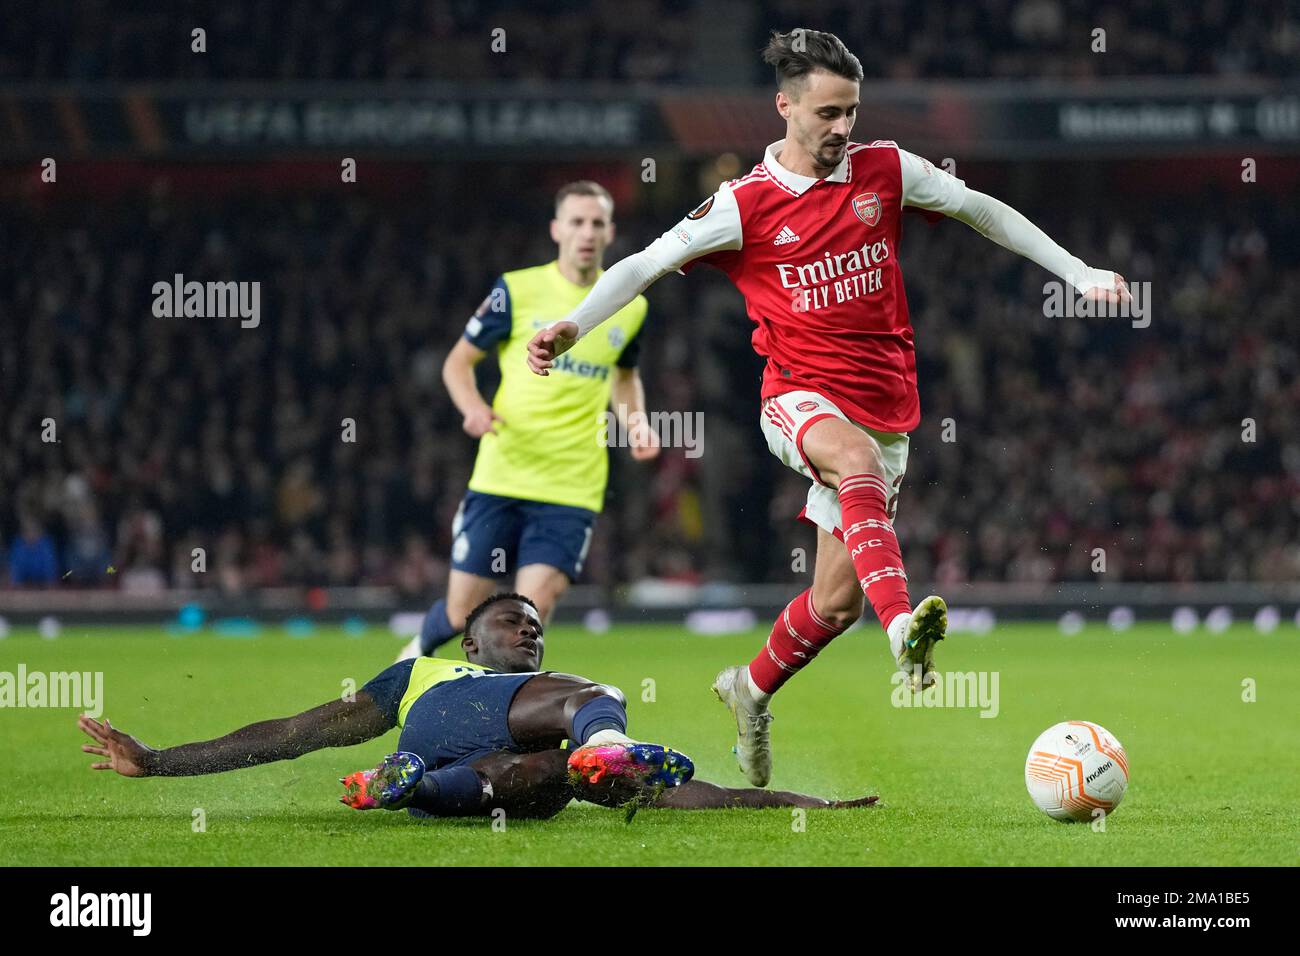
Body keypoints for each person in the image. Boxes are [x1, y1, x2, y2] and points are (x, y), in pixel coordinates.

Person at [525, 29, 1131, 787]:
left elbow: (984, 211)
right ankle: (906, 628)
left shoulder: (886, 169)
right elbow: (646, 262)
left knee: (833, 603)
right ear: (785, 107)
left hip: (888, 409)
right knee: (855, 464)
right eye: (826, 113)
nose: (842, 127)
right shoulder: (743, 206)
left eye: (851, 110)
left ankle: (748, 690)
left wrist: (1077, 273)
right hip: (797, 400)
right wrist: (574, 324)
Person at [78, 594, 877, 818]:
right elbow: (291, 733)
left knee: (537, 780)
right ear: (470, 644)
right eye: (510, 622)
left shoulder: (454, 684)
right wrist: (157, 760)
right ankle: (604, 757)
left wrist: (804, 803)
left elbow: (685, 793)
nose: (528, 631)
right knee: (596, 715)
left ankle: (404, 785)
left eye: (534, 626)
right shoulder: (423, 673)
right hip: (460, 718)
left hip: (452, 765)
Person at [397, 181, 660, 662]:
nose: (586, 232)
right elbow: (457, 363)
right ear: (556, 229)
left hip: (571, 483)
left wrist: (636, 424)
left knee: (527, 619)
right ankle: (416, 649)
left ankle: (507, 719)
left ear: (610, 233)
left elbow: (624, 377)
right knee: (462, 613)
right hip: (504, 471)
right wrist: (473, 408)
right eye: (577, 222)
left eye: (597, 223)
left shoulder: (630, 303)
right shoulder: (515, 289)